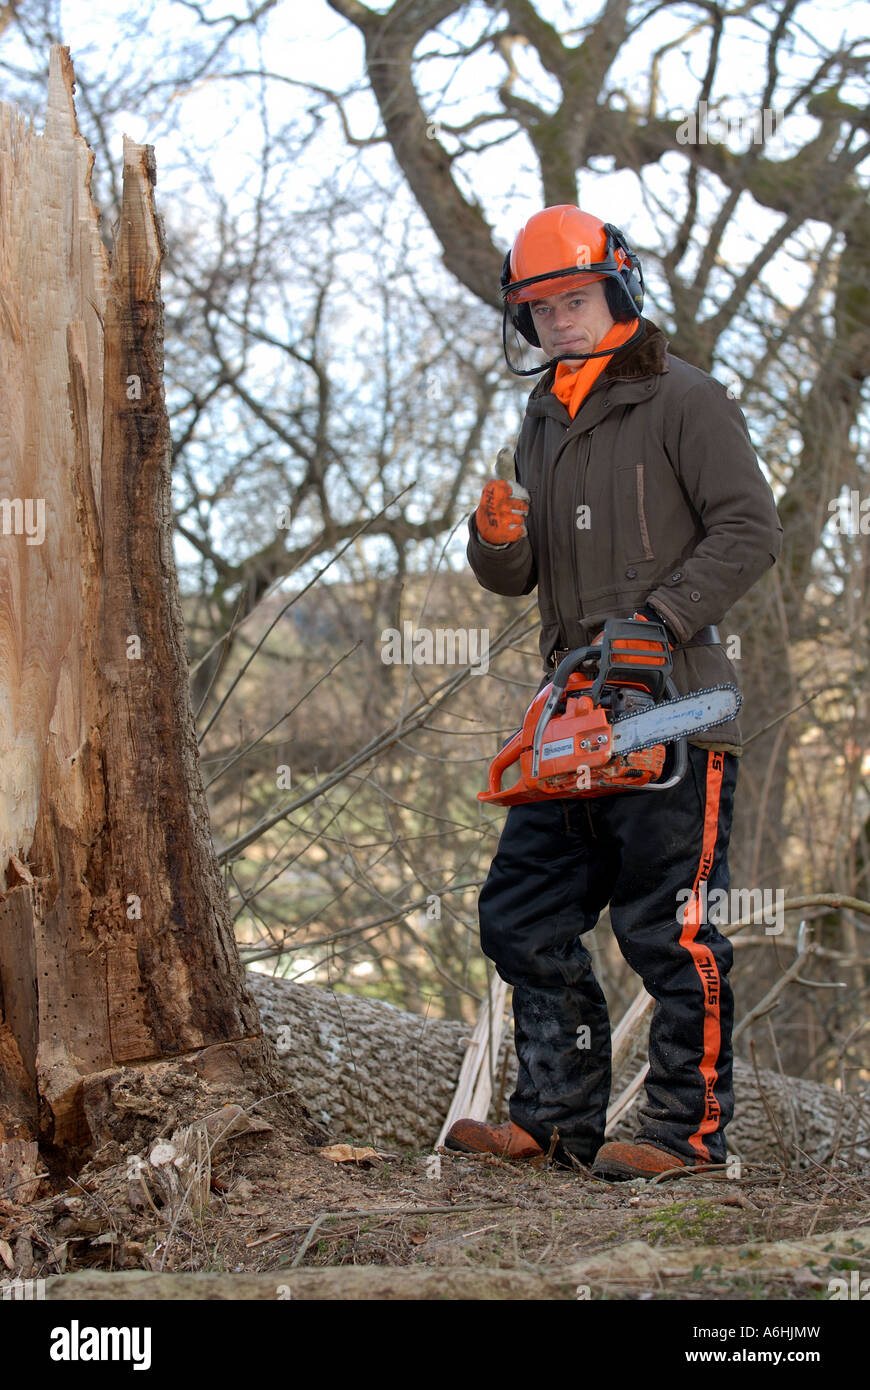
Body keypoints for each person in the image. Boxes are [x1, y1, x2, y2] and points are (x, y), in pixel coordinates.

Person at [446, 206, 783, 1180]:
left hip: (676, 702)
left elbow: (749, 530)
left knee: (665, 928)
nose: (558, 321)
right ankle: (556, 1116)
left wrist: (662, 618)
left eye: (576, 299)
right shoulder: (542, 417)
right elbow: (520, 579)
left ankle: (685, 1130)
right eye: (541, 308)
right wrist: (499, 540)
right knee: (523, 911)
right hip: (573, 711)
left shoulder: (687, 399)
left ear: (620, 289)